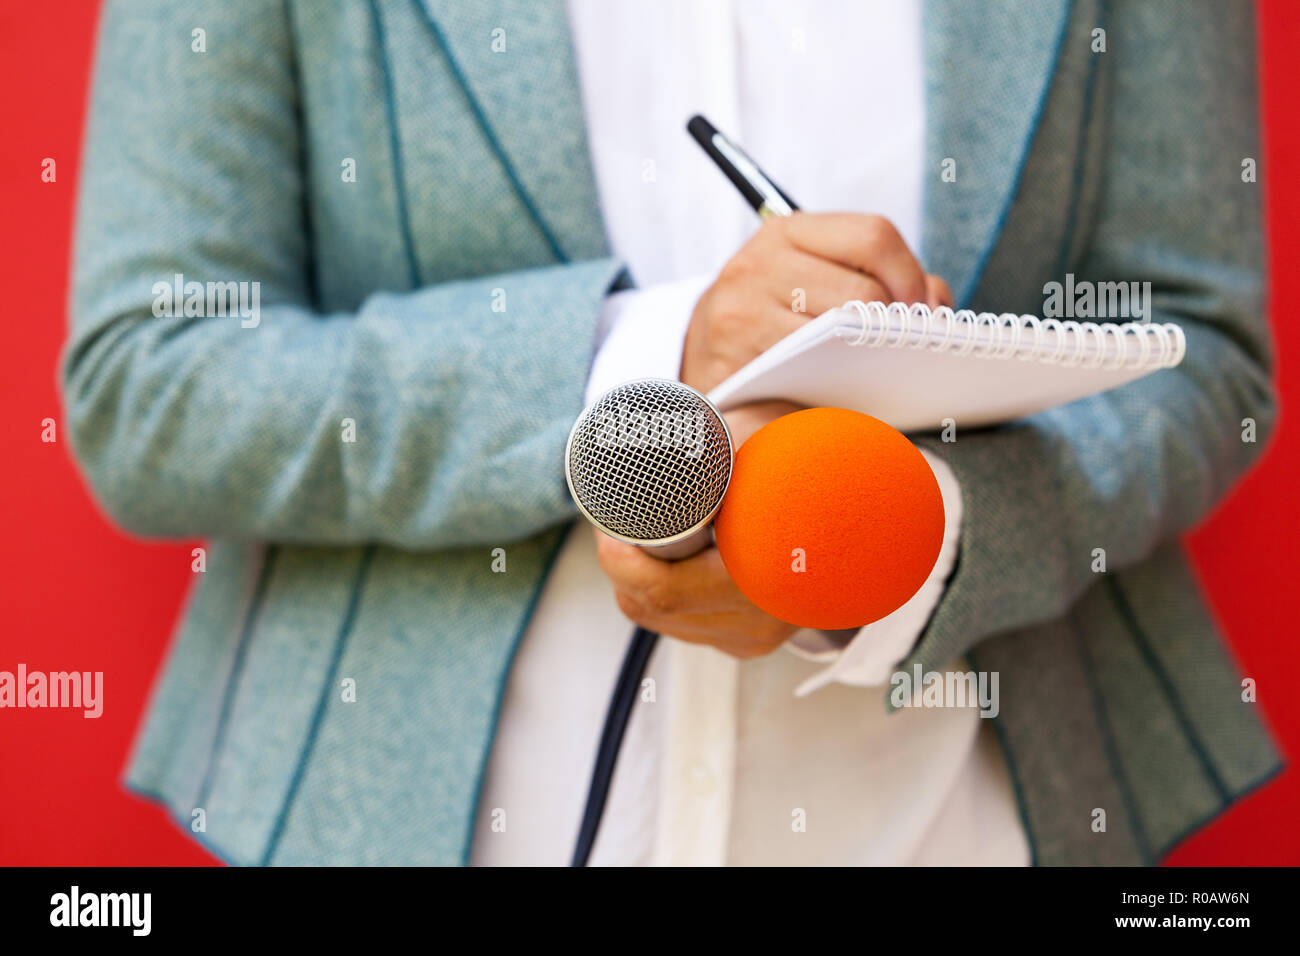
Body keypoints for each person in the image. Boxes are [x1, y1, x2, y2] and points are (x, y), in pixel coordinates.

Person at [64, 0, 1279, 866]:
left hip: (961, 820)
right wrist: (652, 361)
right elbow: (148, 380)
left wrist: (900, 539)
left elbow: (1201, 351)